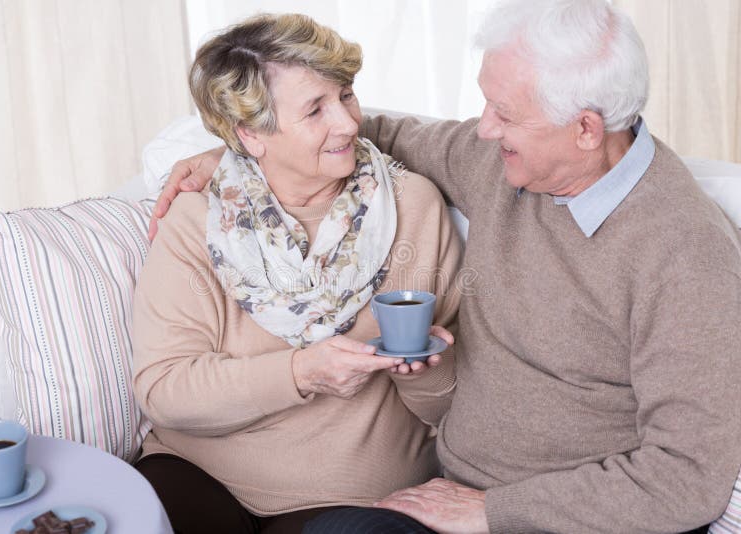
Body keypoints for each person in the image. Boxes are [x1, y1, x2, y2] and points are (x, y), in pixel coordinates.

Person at [151, 1, 741, 533]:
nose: (485, 129)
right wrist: (240, 151)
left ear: (585, 128)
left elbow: (686, 477)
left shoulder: (684, 253)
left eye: (504, 114)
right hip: (451, 497)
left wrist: (494, 511)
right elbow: (382, 133)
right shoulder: (503, 164)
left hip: (558, 518)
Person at [131, 12, 463, 534]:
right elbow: (164, 388)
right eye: (316, 110)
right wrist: (301, 373)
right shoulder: (200, 218)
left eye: (347, 94)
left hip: (346, 499)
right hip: (198, 475)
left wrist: (431, 370)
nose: (350, 123)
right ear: (250, 134)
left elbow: (451, 409)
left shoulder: (412, 208)